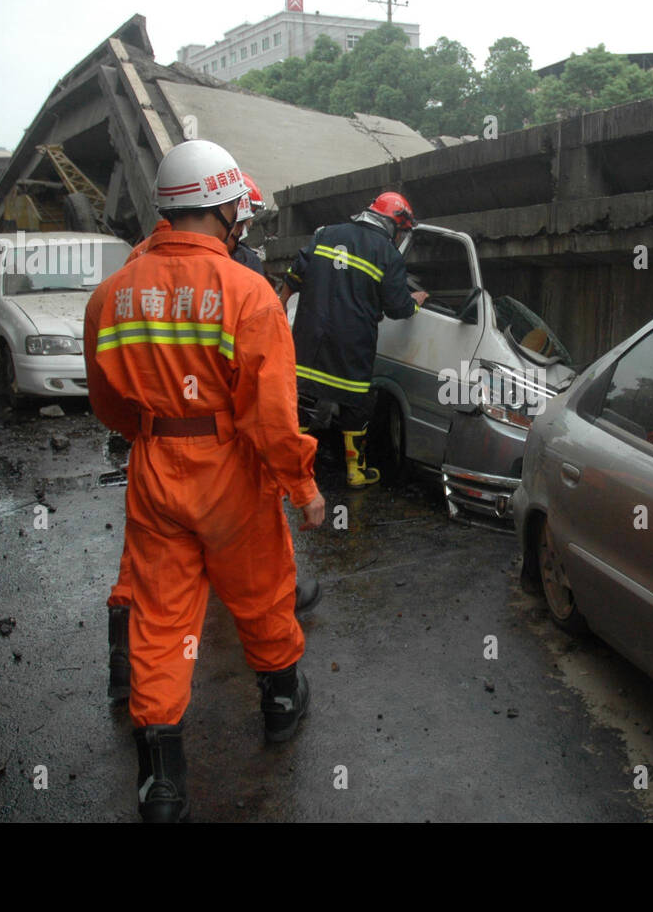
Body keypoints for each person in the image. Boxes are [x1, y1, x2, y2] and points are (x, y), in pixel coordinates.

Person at [84, 139, 324, 822]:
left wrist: (151, 434)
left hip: (155, 469)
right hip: (232, 474)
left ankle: (160, 784)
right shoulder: (250, 295)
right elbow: (272, 417)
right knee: (261, 594)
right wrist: (303, 488)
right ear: (224, 208)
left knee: (159, 623)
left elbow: (105, 401)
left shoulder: (112, 294)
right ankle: (280, 704)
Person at [280, 192, 427, 488]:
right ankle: (355, 472)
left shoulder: (326, 234)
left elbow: (296, 273)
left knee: (304, 400)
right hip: (353, 347)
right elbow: (397, 307)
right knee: (355, 406)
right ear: (395, 225)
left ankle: (293, 469)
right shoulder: (388, 255)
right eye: (402, 232)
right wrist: (417, 301)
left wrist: (281, 304)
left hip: (311, 340)